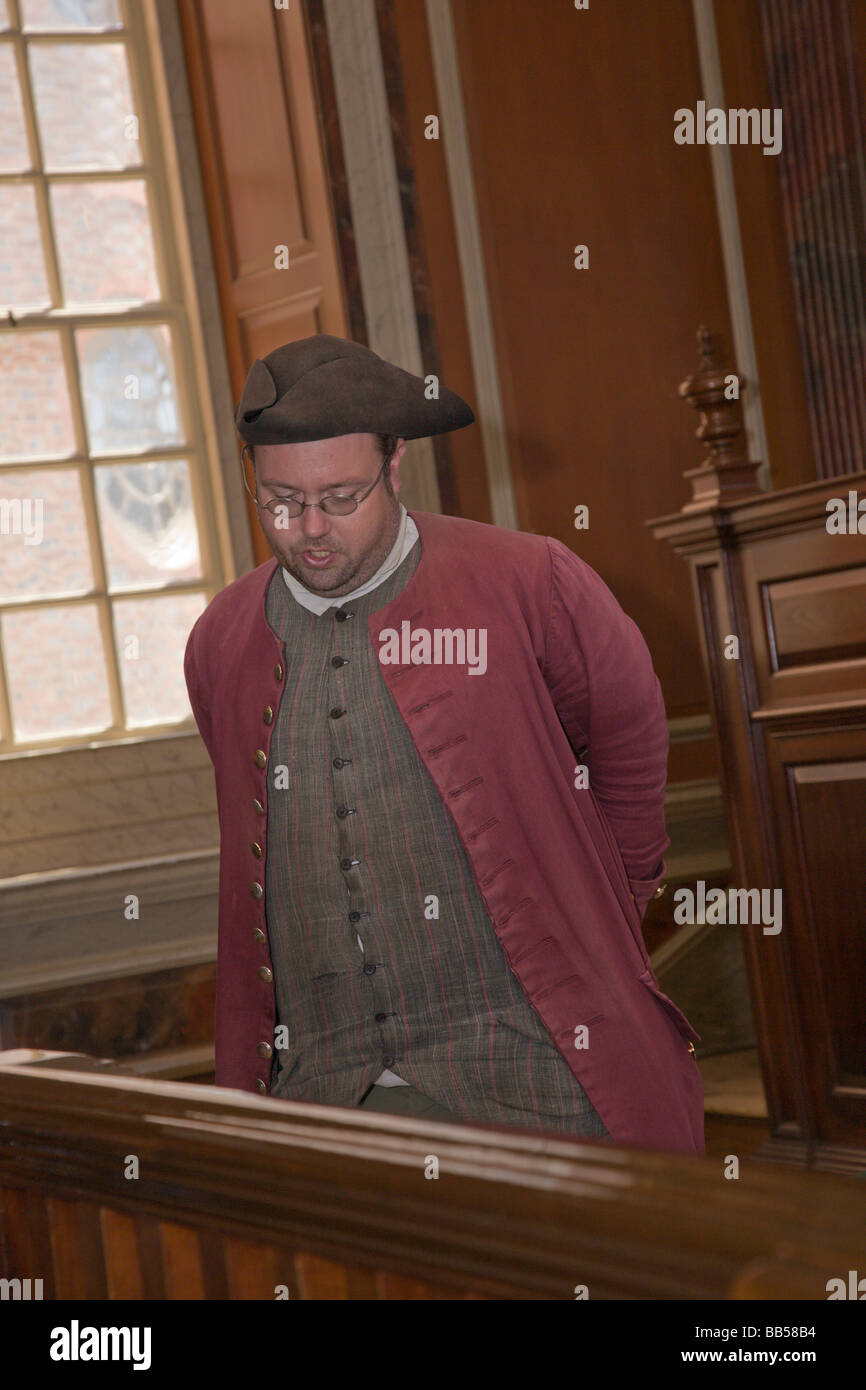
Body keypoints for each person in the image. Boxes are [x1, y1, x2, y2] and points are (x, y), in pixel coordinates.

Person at [183, 333, 704, 1152]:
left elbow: (628, 754)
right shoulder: (221, 638)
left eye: (341, 496)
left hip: (541, 1077)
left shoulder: (534, 584)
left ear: (395, 468)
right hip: (324, 1095)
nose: (309, 528)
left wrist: (599, 922)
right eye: (280, 500)